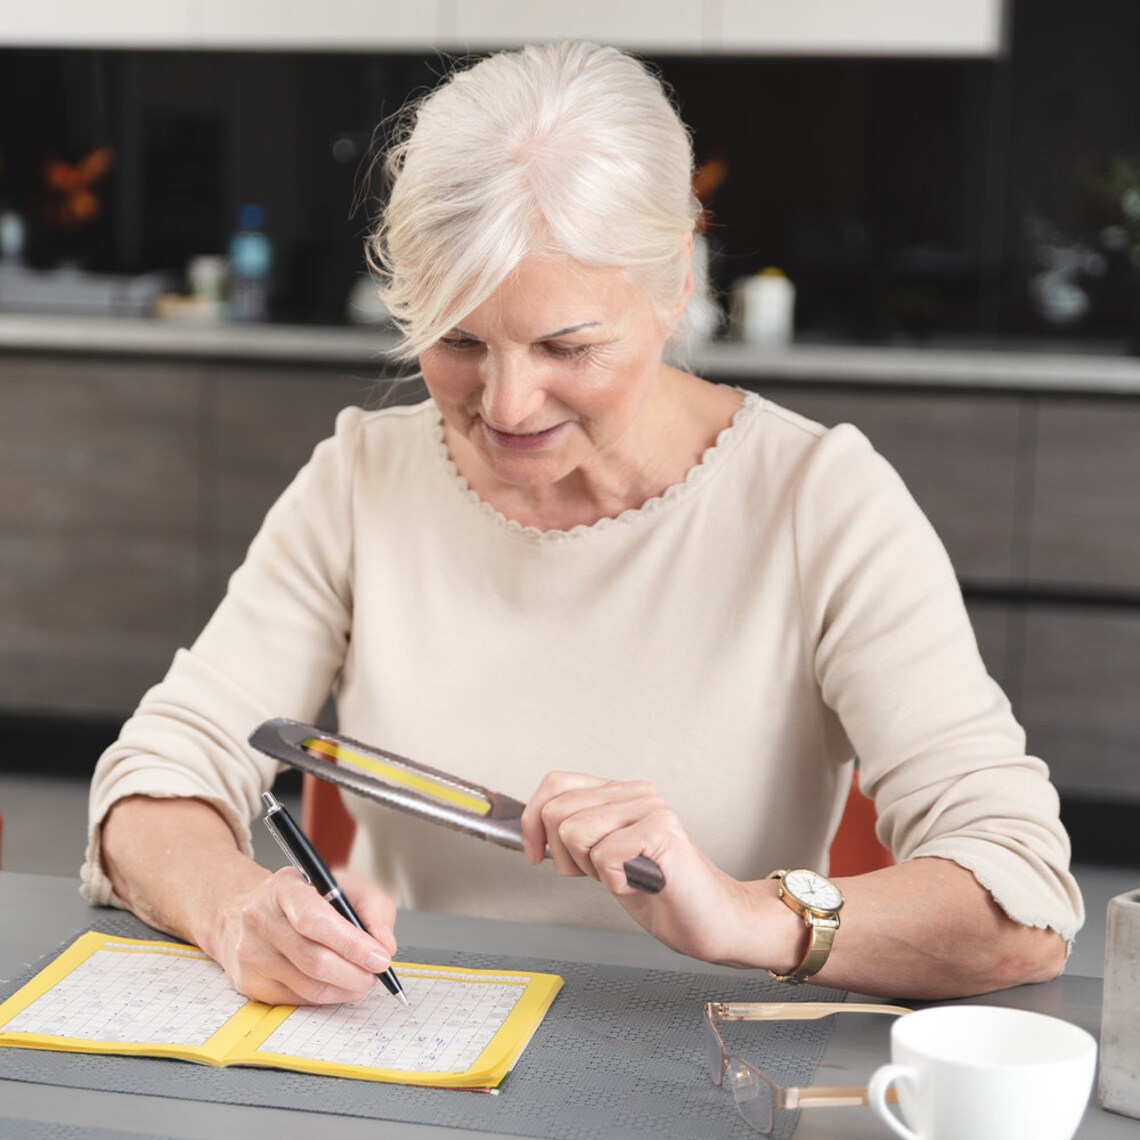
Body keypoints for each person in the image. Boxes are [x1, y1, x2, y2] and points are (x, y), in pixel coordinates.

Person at [83, 41, 1082, 1007]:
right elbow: (156, 780)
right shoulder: (362, 480)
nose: (509, 404)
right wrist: (236, 911)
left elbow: (1022, 902)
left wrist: (748, 917)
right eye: (460, 340)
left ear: (676, 286)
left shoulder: (821, 503)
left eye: (568, 345)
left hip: (711, 1078)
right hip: (412, 1055)